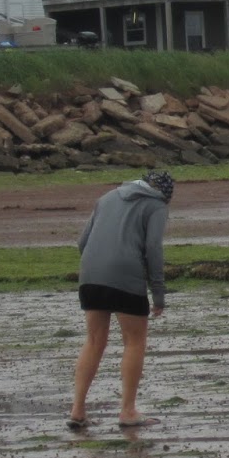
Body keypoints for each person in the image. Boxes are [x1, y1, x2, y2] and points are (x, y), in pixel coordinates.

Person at [68, 168, 173, 430]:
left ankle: (77, 410)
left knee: (94, 341)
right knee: (134, 342)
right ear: (165, 194)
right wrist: (158, 292)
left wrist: (97, 265)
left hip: (90, 276)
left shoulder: (107, 198)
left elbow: (82, 242)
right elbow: (153, 249)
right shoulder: (156, 205)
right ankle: (128, 411)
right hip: (126, 278)